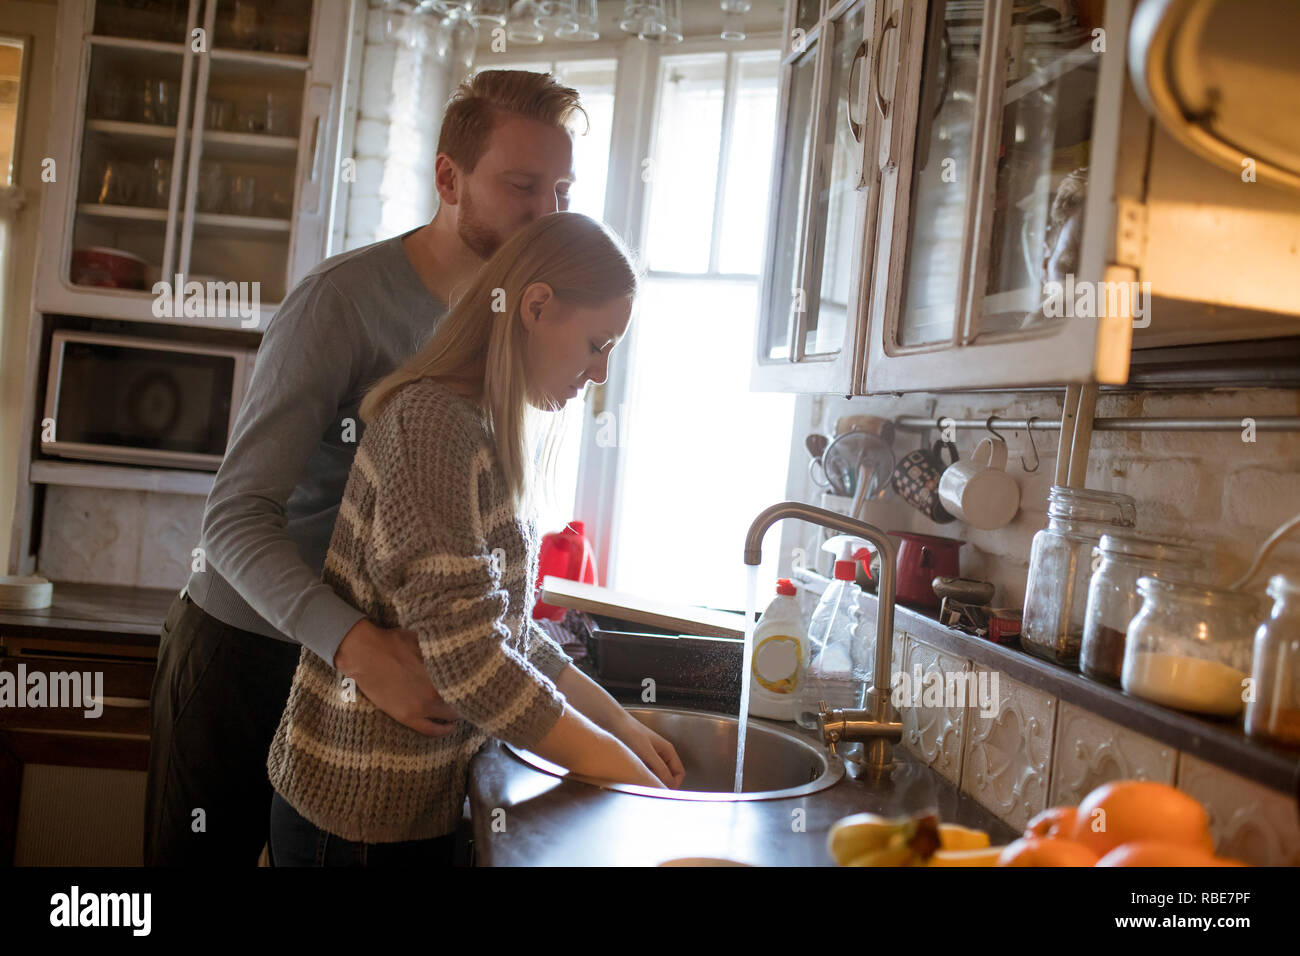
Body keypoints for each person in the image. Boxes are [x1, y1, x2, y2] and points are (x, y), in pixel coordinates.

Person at [145, 70, 595, 866]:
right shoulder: (341, 302)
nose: (545, 214)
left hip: (370, 674)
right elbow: (233, 520)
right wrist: (355, 646)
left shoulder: (505, 331)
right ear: (448, 178)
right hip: (248, 647)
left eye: (560, 189)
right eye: (522, 185)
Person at [267, 212, 685, 866]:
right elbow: (472, 663)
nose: (600, 374)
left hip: (411, 808)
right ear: (537, 307)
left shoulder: (482, 430)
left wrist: (620, 725)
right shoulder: (433, 428)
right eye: (597, 344)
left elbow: (502, 633)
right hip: (357, 825)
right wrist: (627, 775)